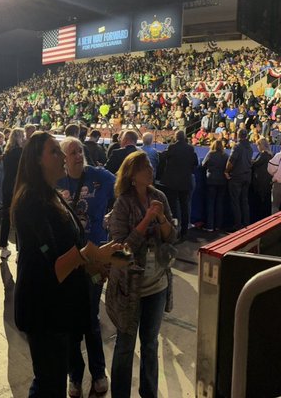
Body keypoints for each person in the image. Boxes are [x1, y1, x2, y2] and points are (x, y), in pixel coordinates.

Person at [12, 132, 129, 398]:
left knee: (51, 380)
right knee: (48, 384)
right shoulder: (31, 201)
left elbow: (75, 247)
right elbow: (56, 264)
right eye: (55, 151)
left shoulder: (53, 195)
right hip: (43, 308)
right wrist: (95, 256)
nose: (63, 157)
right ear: (37, 161)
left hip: (60, 306)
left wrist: (104, 260)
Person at [106, 150, 176, 398]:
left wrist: (161, 219)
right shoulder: (123, 203)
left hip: (156, 284)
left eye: (150, 165)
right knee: (125, 345)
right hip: (129, 286)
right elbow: (121, 248)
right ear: (132, 175)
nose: (150, 170)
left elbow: (171, 237)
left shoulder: (159, 197)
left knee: (150, 344)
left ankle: (149, 393)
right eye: (144, 167)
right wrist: (147, 219)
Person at [57, 137, 116, 398]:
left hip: (93, 258)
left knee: (91, 318)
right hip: (68, 259)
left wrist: (115, 216)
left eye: (80, 151)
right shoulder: (56, 182)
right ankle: (75, 376)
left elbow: (123, 185)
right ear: (63, 158)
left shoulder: (99, 177)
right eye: (72, 152)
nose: (78, 155)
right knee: (70, 321)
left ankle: (99, 372)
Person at [159, 130, 197, 239]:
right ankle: (184, 231)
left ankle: (173, 229)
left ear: (176, 137)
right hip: (185, 181)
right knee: (184, 206)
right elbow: (196, 163)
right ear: (184, 137)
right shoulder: (190, 148)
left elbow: (162, 157)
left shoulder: (172, 147)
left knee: (172, 206)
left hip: (172, 182)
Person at [0, 128, 25, 259]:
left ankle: (3, 248)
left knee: (6, 217)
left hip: (7, 185)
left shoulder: (7, 152)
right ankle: (19, 250)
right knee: (19, 217)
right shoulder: (21, 152)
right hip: (18, 186)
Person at [226, 130, 254, 230]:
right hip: (247, 176)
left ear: (238, 136)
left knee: (235, 201)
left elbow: (231, 161)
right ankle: (246, 223)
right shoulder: (250, 148)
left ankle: (238, 224)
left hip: (237, 176)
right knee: (244, 200)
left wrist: (226, 171)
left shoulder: (237, 146)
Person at [200, 139, 229, 231]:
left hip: (211, 180)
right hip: (222, 181)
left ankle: (210, 226)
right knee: (220, 203)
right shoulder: (225, 156)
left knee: (211, 203)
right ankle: (218, 225)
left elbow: (203, 164)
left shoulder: (210, 154)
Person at [249, 138, 274, 222]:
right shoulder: (270, 154)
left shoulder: (264, 155)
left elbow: (256, 164)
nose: (257, 147)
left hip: (261, 180)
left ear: (262, 145)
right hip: (267, 180)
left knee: (261, 200)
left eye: (258, 145)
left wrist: (250, 161)